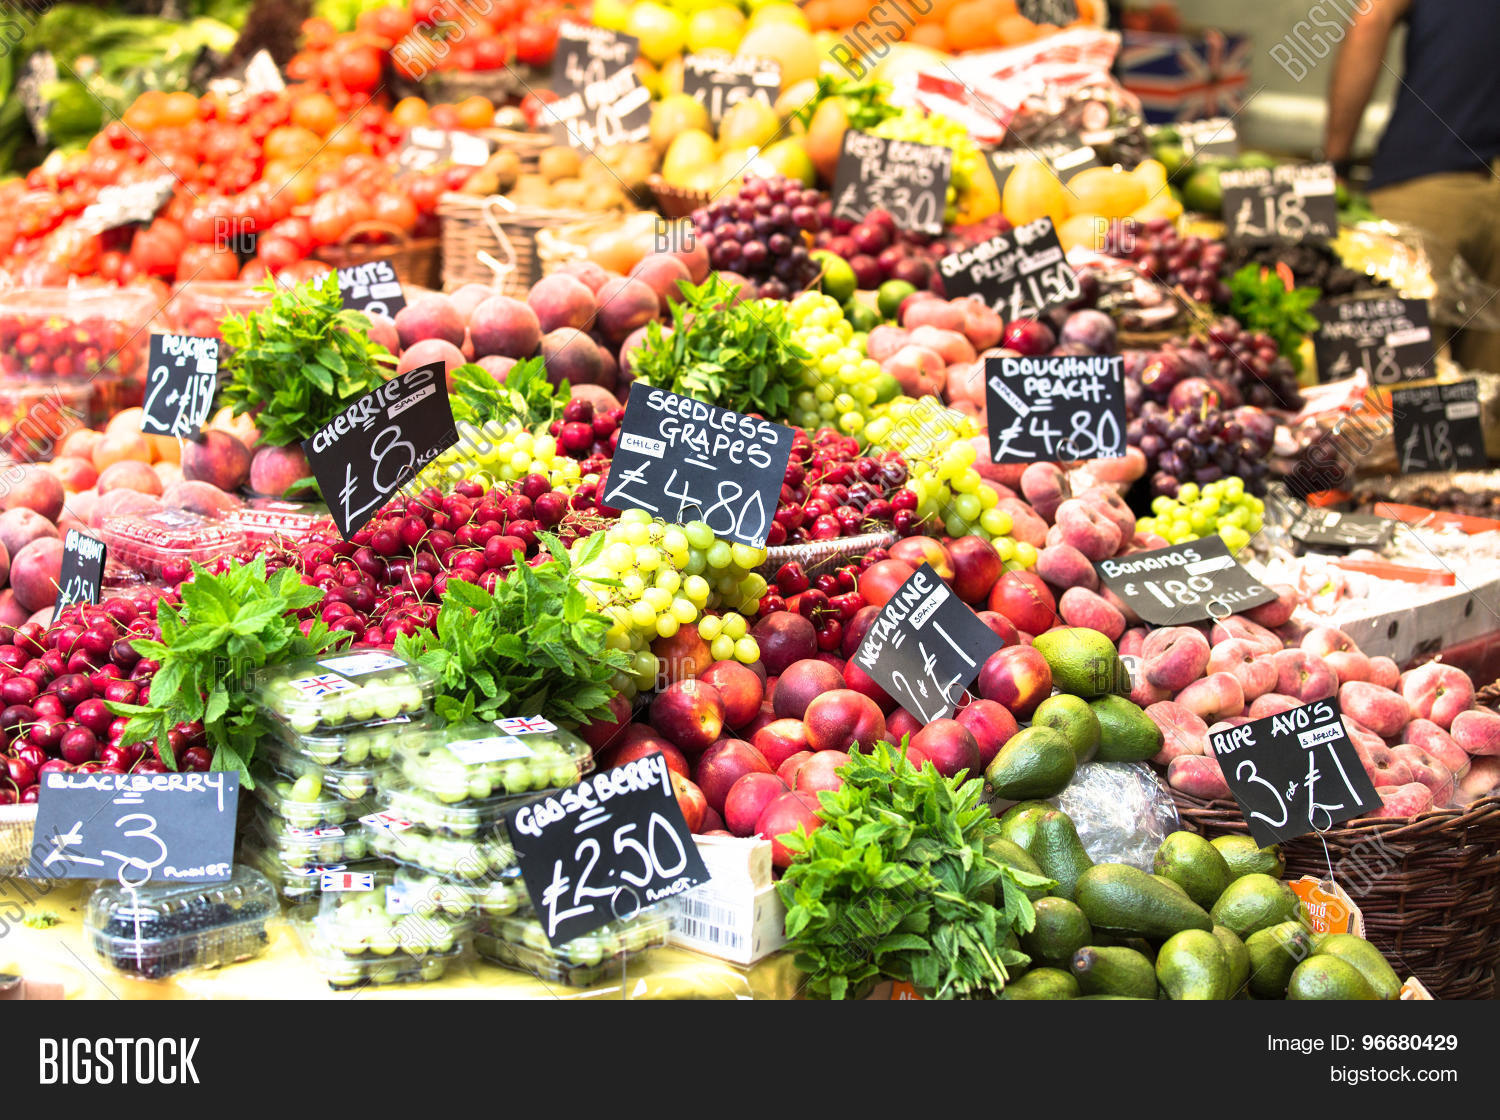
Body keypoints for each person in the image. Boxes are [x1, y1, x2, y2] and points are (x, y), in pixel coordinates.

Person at [1324, 0, 1500, 372]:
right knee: (1490, 399)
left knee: (1398, 383)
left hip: (1428, 176)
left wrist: (1334, 161)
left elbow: (1371, 17)